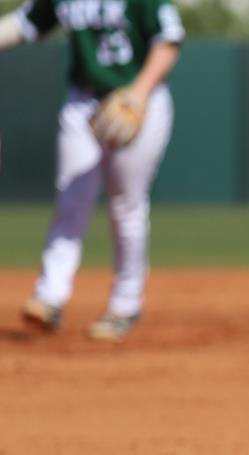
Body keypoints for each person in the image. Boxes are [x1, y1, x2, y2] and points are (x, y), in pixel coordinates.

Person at [2, 0, 184, 342]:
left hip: (140, 97)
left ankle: (125, 305)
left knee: (125, 204)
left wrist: (139, 92)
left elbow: (169, 41)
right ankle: (49, 296)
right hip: (83, 101)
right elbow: (25, 24)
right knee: (71, 197)